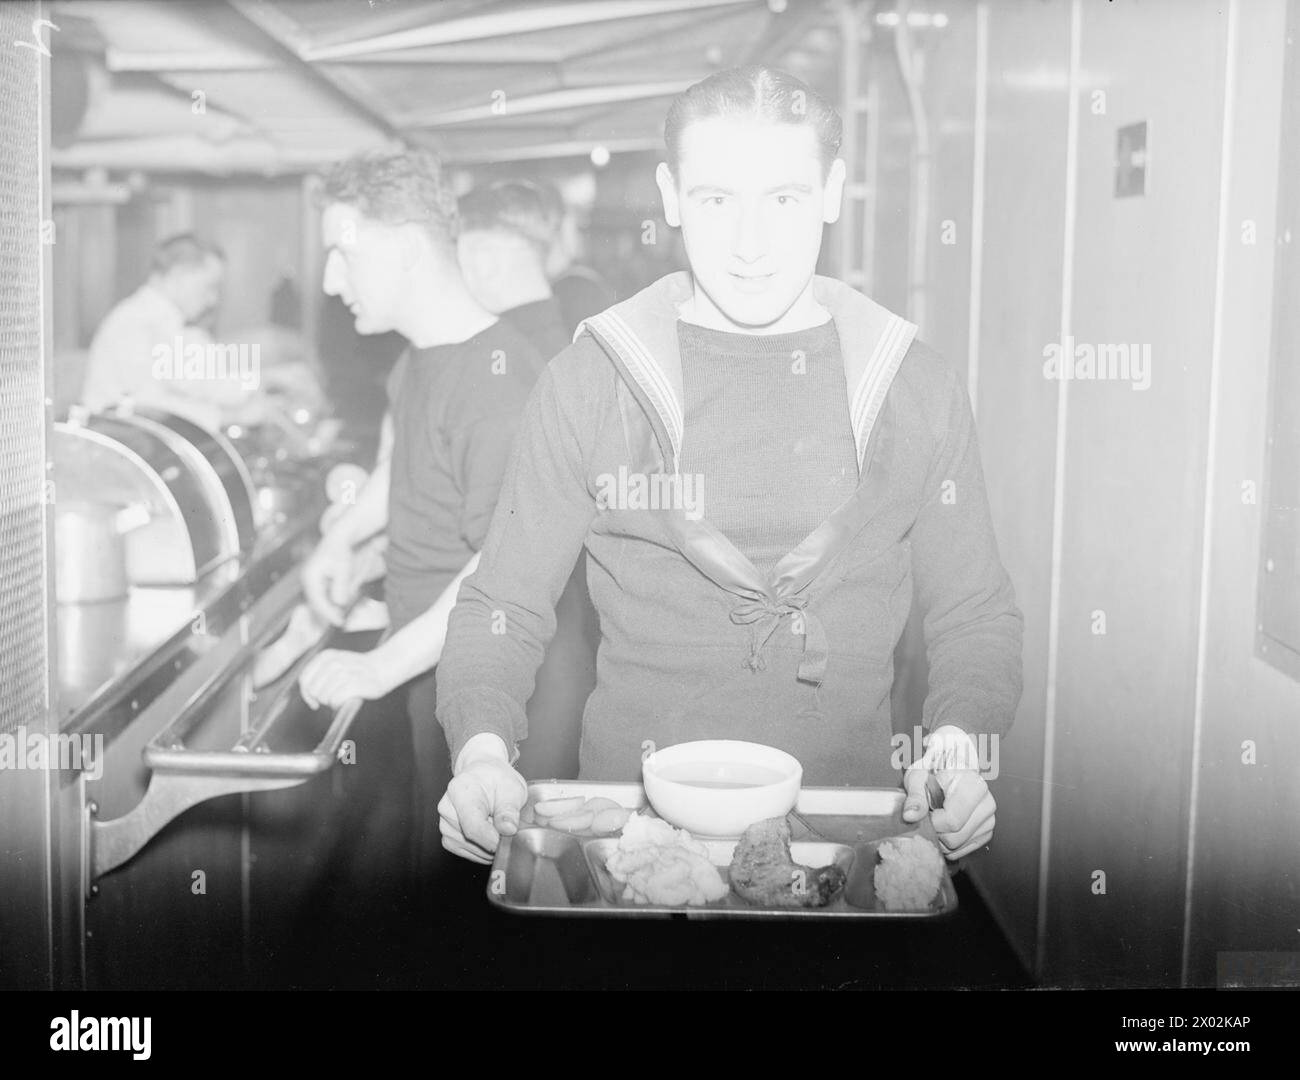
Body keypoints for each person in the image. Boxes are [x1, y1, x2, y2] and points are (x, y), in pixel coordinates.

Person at [435, 66, 1024, 866]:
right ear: (672, 197)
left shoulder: (912, 383)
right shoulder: (591, 381)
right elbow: (502, 602)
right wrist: (479, 752)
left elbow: (974, 612)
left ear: (832, 191)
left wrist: (956, 748)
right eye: (716, 200)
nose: (751, 245)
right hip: (635, 842)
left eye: (783, 198)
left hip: (844, 837)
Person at [294, 149, 543, 877]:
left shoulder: (499, 386)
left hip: (480, 695)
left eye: (343, 253)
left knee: (478, 899)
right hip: (424, 672)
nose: (329, 281)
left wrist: (379, 667)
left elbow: (499, 567)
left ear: (405, 247)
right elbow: (398, 467)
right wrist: (342, 541)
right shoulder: (418, 358)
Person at [456, 179, 603, 779]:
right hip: (564, 646)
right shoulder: (576, 346)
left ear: (485, 256)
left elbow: (488, 546)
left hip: (515, 659)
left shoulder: (498, 358)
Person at [80, 233, 278, 431]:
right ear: (179, 275)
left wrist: (260, 384)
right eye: (210, 287)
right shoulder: (135, 323)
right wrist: (233, 416)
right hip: (119, 440)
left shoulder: (166, 323)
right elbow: (148, 406)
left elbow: (200, 384)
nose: (213, 300)